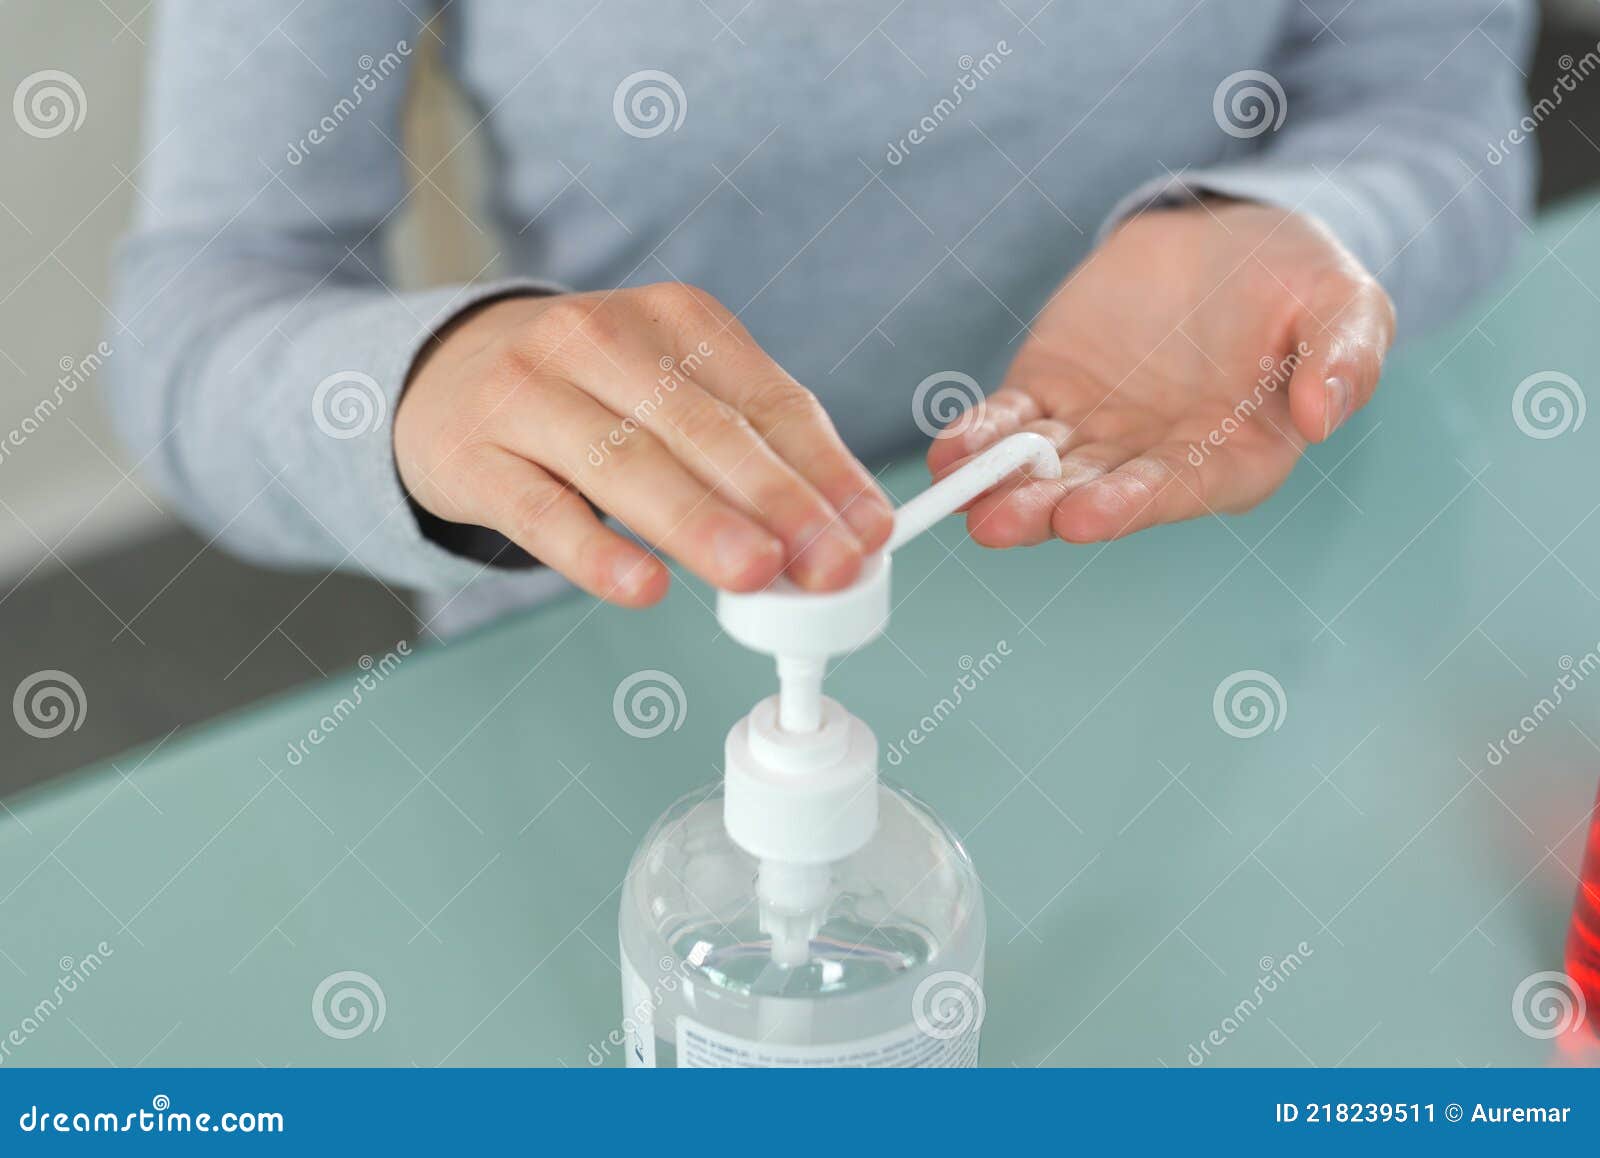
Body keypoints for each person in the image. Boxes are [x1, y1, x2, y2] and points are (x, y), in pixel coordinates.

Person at [109, 1, 1533, 634]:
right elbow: (205, 298)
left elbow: (1437, 110)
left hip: (1231, 577)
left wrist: (1300, 233)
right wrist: (417, 390)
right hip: (639, 637)